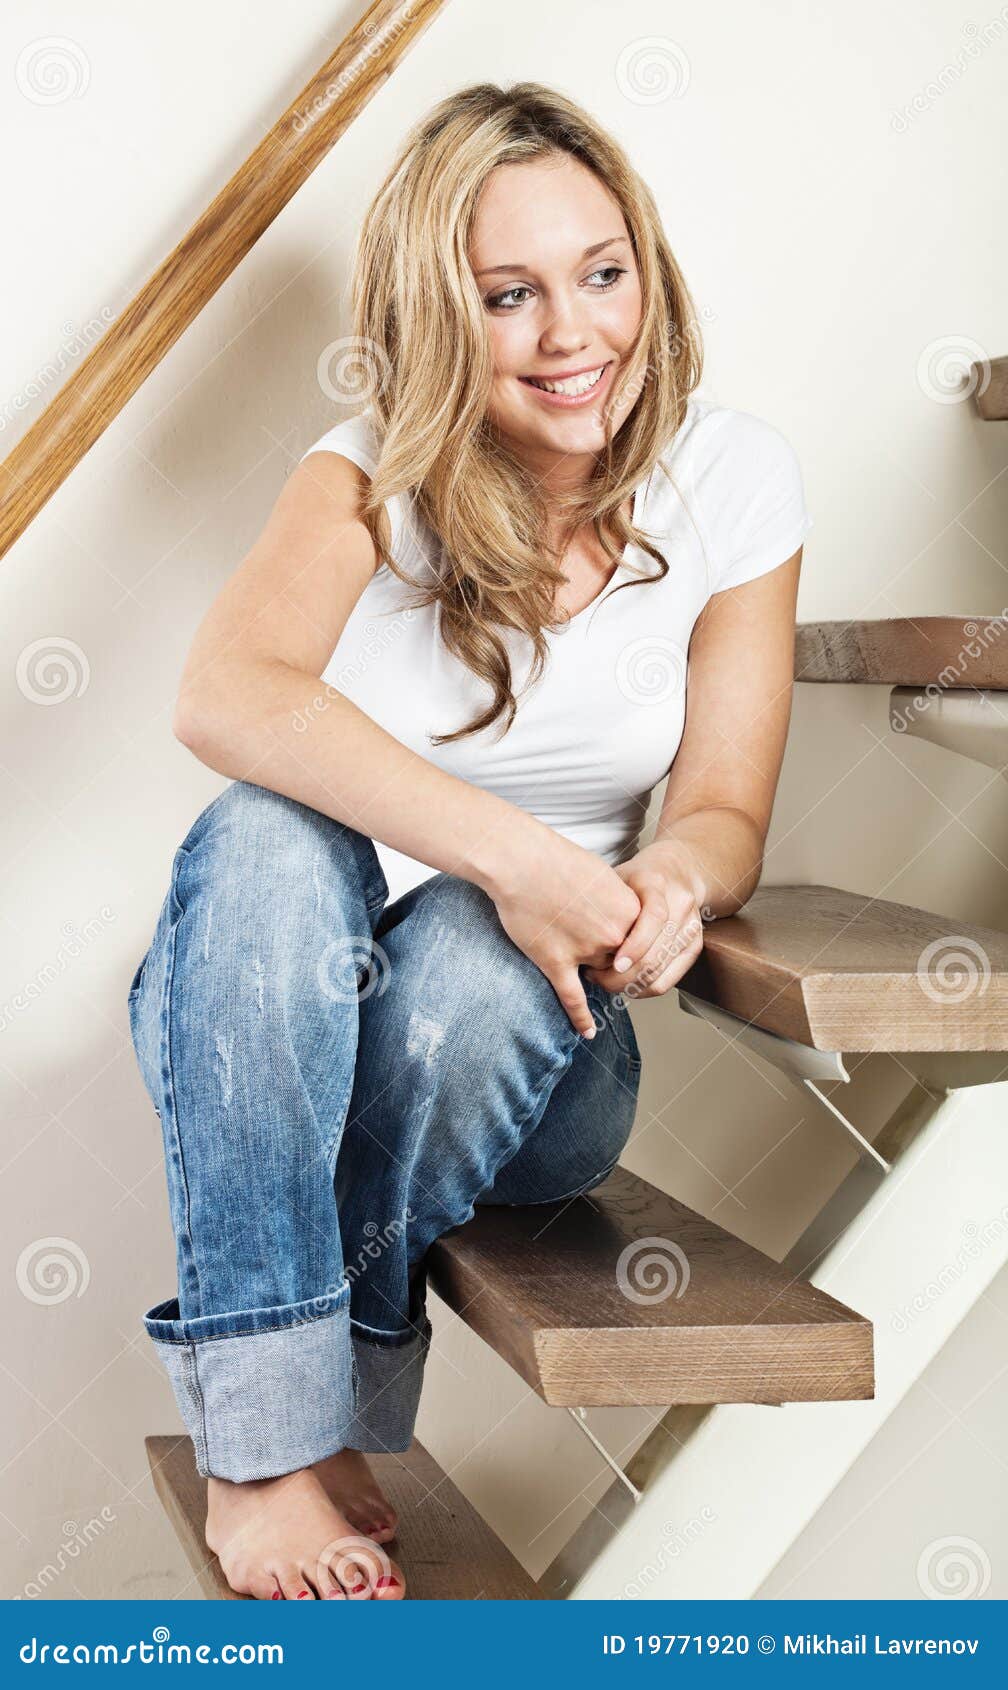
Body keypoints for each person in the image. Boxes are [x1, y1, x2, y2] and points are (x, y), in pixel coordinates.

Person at [126, 81, 812, 1601]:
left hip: (538, 1036)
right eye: (511, 295)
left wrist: (668, 885)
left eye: (602, 271)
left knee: (462, 950)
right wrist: (517, 851)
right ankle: (267, 1446)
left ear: (649, 265)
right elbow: (222, 690)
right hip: (286, 1013)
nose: (575, 334)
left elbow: (724, 809)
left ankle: (312, 1404)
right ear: (445, 313)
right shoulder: (369, 469)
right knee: (258, 834)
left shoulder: (737, 478)